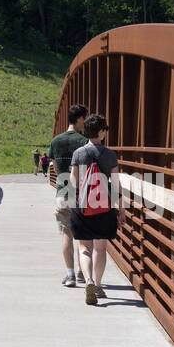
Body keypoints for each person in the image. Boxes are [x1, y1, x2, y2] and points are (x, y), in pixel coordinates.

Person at [68, 114, 121, 306]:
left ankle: (88, 280)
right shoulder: (109, 154)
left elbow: (73, 182)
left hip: (82, 207)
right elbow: (115, 186)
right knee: (100, 248)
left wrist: (72, 205)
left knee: (84, 248)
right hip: (104, 209)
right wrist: (120, 209)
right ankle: (98, 285)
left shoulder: (79, 153)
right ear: (101, 132)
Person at [48, 104, 88, 287]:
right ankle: (82, 272)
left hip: (63, 190)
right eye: (84, 119)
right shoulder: (84, 141)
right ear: (79, 119)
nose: (85, 123)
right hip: (81, 193)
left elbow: (55, 167)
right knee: (82, 234)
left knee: (66, 234)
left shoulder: (56, 141)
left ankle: (70, 275)